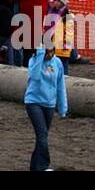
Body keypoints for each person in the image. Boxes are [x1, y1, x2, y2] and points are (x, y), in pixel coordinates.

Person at [24, 40, 69, 171]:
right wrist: (39, 55)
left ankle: (35, 166)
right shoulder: (34, 61)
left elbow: (61, 86)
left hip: (49, 104)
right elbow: (35, 76)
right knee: (42, 134)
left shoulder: (57, 63)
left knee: (42, 137)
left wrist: (62, 107)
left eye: (51, 52)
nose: (49, 55)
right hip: (34, 102)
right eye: (46, 52)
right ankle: (43, 167)